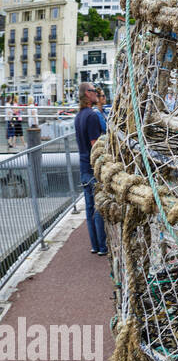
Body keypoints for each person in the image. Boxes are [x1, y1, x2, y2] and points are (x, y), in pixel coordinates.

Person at [75, 82, 108, 256]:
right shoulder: (92, 116)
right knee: (98, 207)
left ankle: (95, 245)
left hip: (82, 165)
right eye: (94, 91)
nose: (96, 93)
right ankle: (103, 246)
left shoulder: (78, 116)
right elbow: (95, 146)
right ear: (87, 94)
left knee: (89, 208)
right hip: (92, 167)